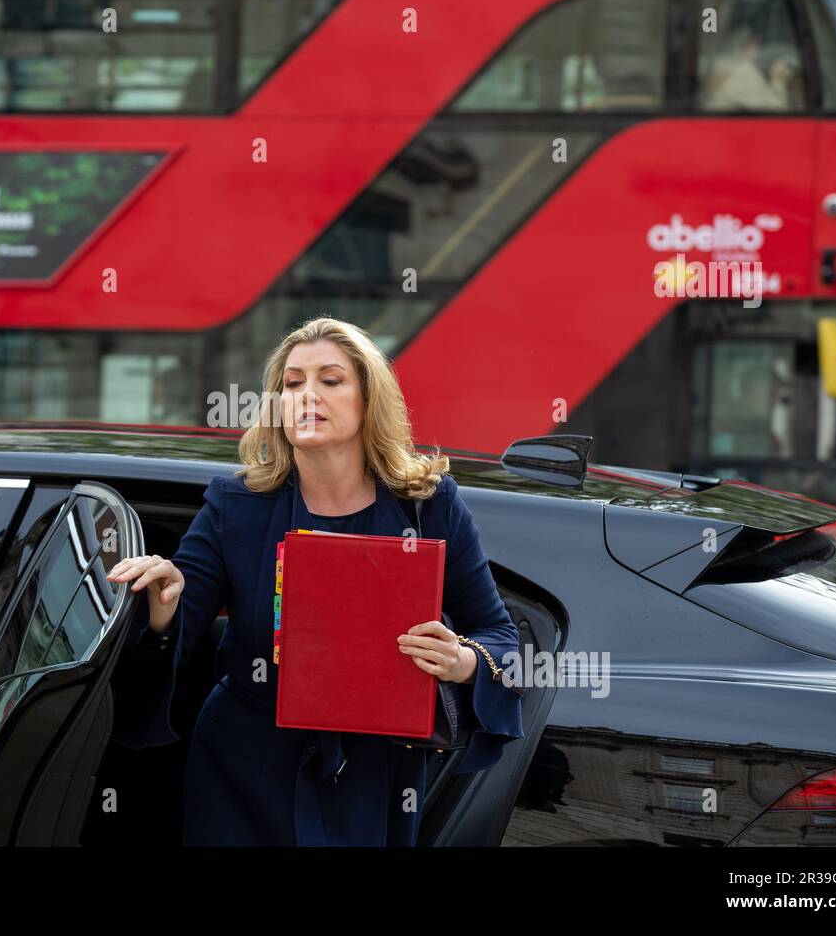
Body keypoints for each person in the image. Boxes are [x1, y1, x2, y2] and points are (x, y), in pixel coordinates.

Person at [107, 316, 524, 845]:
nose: (308, 395)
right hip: (243, 769)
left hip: (377, 778)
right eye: (293, 383)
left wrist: (462, 661)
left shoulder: (431, 505)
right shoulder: (235, 504)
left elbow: (501, 641)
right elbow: (177, 633)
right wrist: (164, 605)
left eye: (330, 380)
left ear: (369, 398)